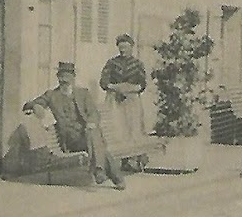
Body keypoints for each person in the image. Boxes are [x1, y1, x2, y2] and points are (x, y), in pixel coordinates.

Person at [23, 62, 126, 190]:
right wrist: (36, 106)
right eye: (61, 77)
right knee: (98, 144)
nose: (64, 80)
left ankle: (100, 170)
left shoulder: (83, 93)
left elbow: (93, 113)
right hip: (71, 140)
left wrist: (91, 122)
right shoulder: (51, 95)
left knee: (93, 135)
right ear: (58, 77)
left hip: (86, 134)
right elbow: (30, 104)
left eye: (67, 77)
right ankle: (112, 176)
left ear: (73, 78)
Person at [99, 33, 148, 163]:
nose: (123, 50)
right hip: (114, 100)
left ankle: (134, 159)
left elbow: (142, 85)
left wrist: (129, 88)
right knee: (116, 129)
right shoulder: (111, 63)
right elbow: (103, 82)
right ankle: (116, 160)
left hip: (132, 101)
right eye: (121, 48)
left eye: (126, 47)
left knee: (133, 129)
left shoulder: (138, 64)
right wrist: (116, 87)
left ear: (131, 47)